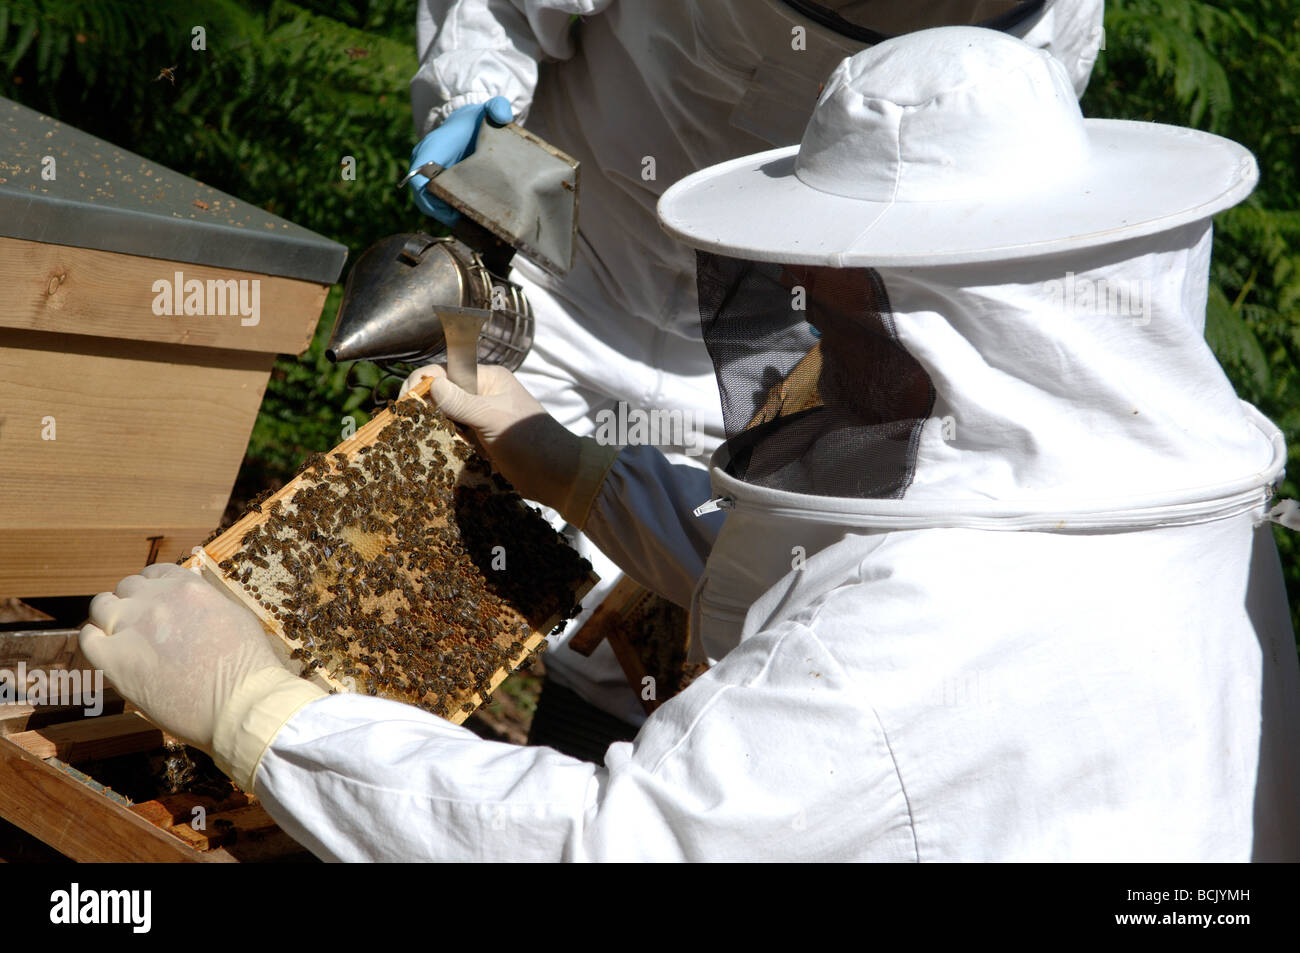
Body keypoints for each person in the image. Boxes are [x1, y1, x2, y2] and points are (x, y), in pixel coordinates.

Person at [84, 27, 1300, 861]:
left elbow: (611, 848)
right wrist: (569, 461)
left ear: (936, 314)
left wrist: (260, 710)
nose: (805, 314)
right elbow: (835, 574)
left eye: (832, 297)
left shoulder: (924, 631)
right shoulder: (1141, 496)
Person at [405, 0, 1107, 733]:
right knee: (432, 558)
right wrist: (470, 94)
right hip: (559, 281)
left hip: (756, 358)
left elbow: (996, 184)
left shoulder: (1054, 25)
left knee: (649, 661)